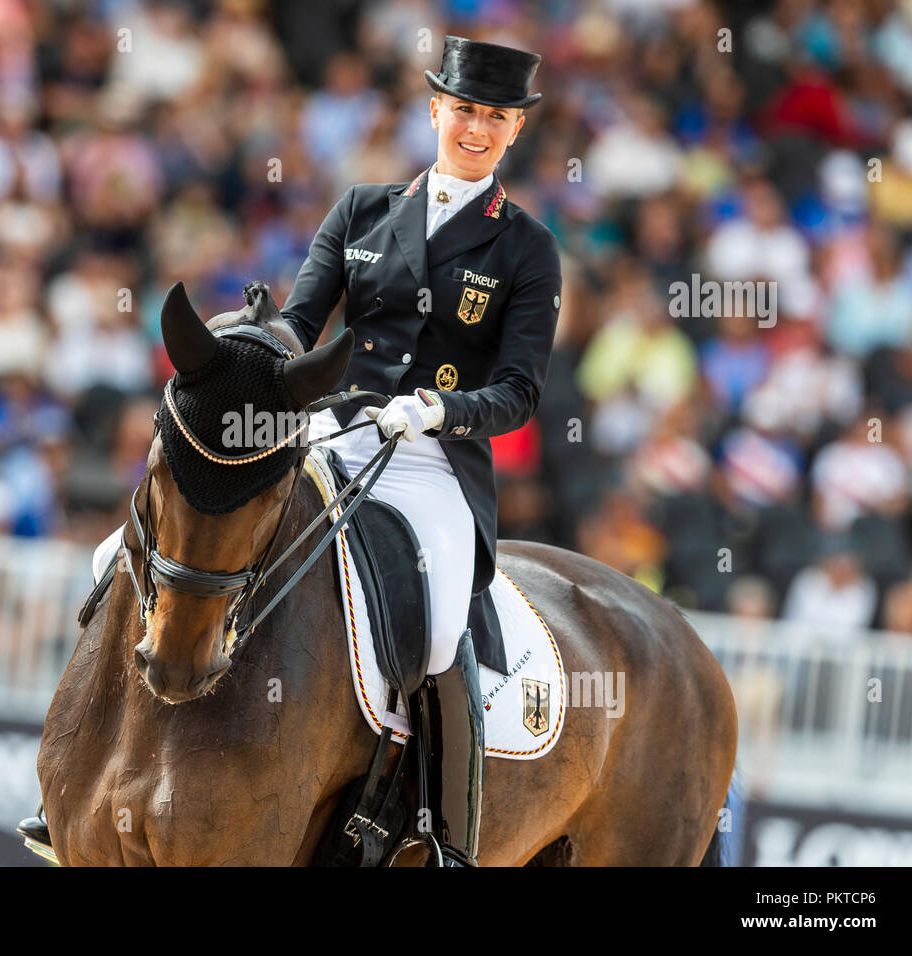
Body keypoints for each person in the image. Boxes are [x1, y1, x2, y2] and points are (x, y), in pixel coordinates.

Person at [281, 36, 562, 866]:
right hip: (333, 438)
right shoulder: (361, 210)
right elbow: (301, 325)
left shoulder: (526, 247)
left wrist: (442, 410)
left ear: (515, 131)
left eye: (496, 117)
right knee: (156, 544)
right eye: (465, 109)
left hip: (432, 460)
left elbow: (519, 392)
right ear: (436, 109)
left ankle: (445, 834)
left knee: (440, 632)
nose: (477, 127)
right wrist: (258, 353)